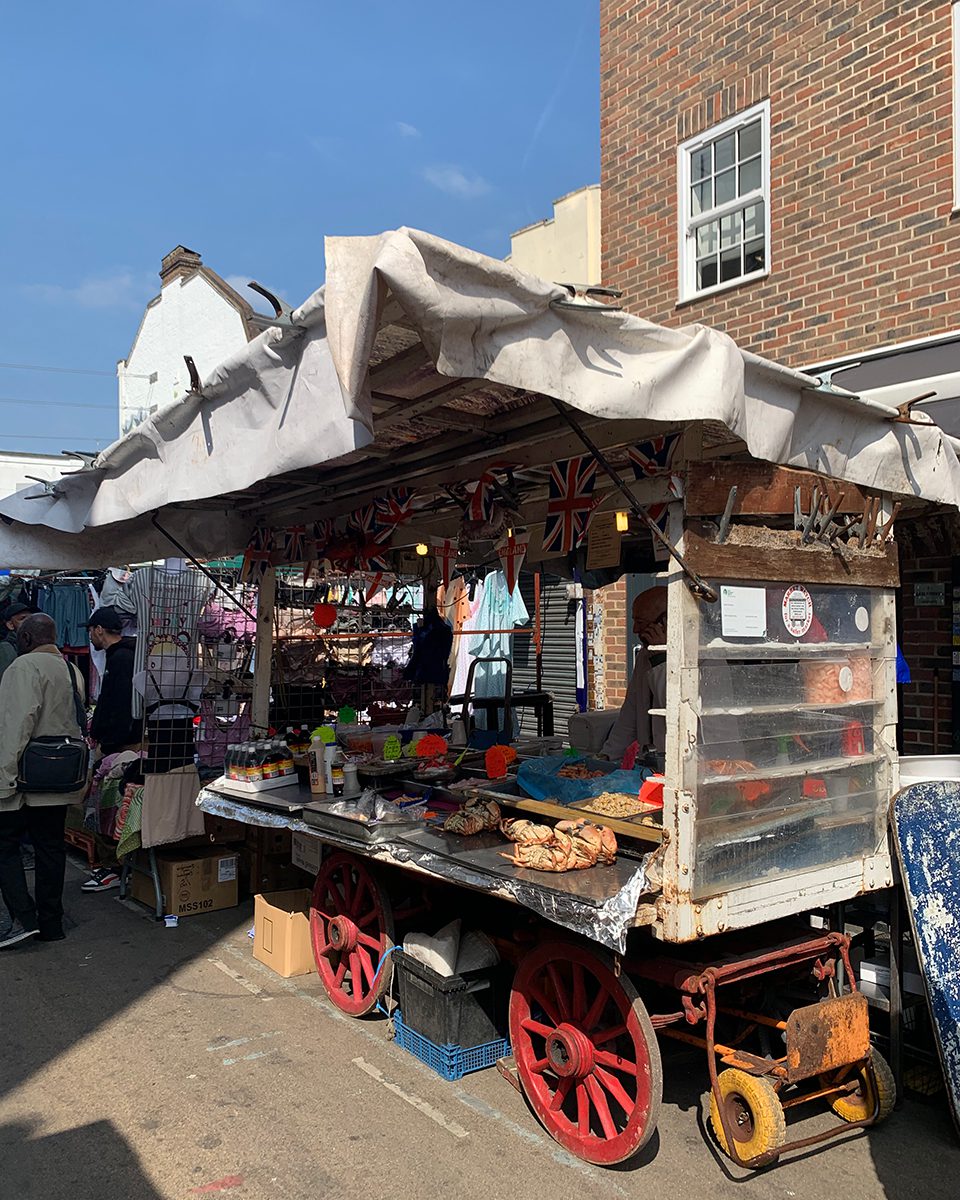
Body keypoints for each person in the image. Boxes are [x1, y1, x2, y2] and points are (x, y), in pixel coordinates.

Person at [0, 613, 87, 948]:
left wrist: (4, 777)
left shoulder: (22, 668)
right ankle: (51, 923)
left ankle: (24, 917)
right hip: (60, 777)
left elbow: (14, 727)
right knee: (51, 848)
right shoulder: (71, 669)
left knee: (4, 845)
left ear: (24, 640)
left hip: (24, 779)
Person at [82, 606, 139, 892]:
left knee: (107, 808)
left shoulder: (120, 660)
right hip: (127, 744)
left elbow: (119, 708)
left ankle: (112, 868)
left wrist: (106, 744)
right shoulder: (126, 656)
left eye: (90, 631)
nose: (90, 637)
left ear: (98, 630)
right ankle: (118, 867)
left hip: (120, 746)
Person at [600, 586, 668, 765]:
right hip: (651, 762)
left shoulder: (700, 658)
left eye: (641, 622)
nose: (635, 630)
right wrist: (607, 756)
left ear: (665, 621)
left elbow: (675, 706)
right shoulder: (645, 656)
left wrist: (661, 658)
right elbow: (629, 716)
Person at [0, 601, 33, 682]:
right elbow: (8, 681)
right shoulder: (6, 647)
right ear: (10, 625)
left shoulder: (30, 644)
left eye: (31, 618)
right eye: (23, 618)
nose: (29, 622)